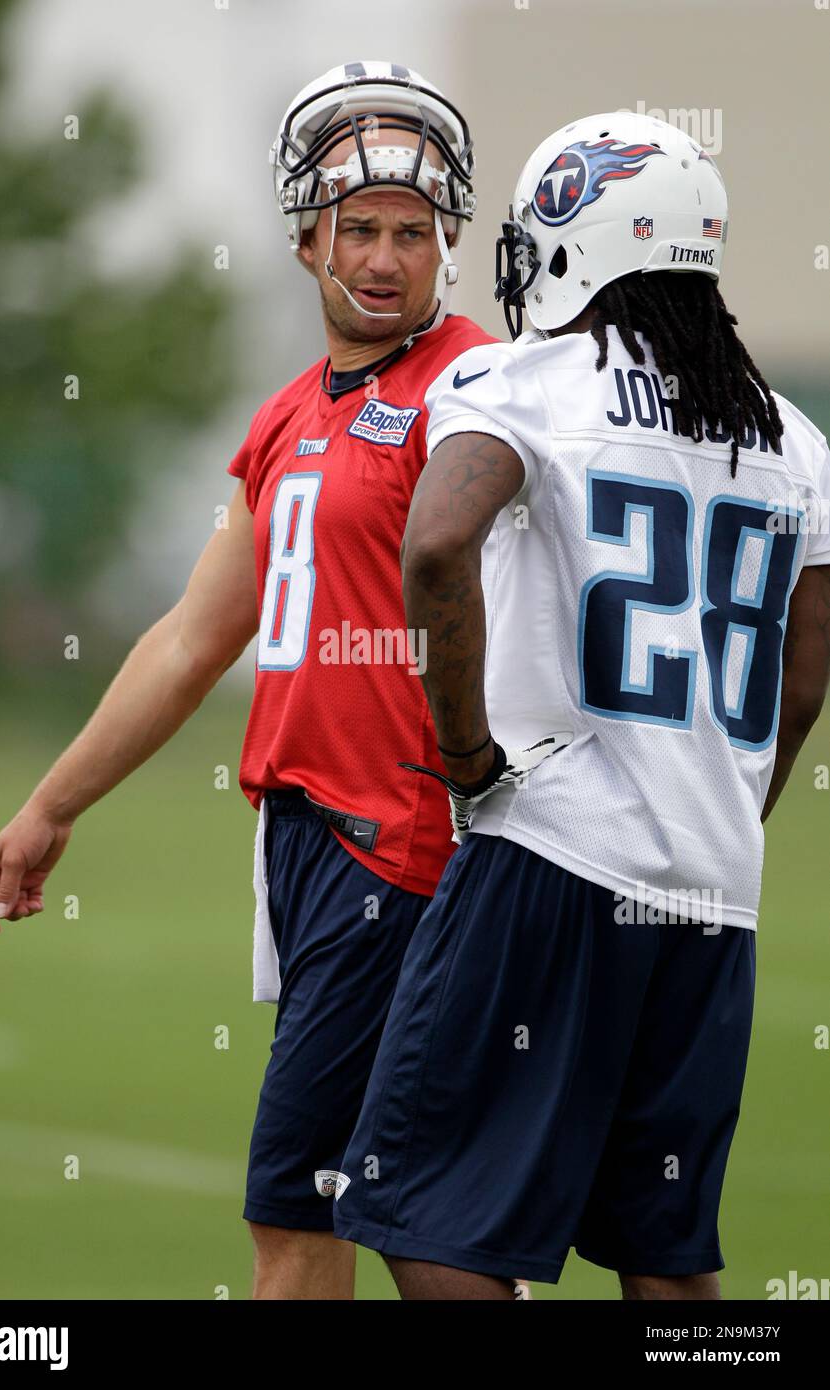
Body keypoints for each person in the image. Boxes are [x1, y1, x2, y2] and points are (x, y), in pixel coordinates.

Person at [0, 60, 494, 1300]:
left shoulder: (477, 385)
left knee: (301, 1213)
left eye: (411, 232)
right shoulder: (289, 418)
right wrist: (53, 804)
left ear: (450, 242)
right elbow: (190, 639)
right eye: (356, 227)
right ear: (306, 236)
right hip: (308, 841)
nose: (382, 256)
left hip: (402, 839)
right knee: (407, 1220)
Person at [332, 110, 830, 1300]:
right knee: (662, 1250)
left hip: (549, 853)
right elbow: (802, 679)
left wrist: (466, 755)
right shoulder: (795, 440)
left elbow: (438, 544)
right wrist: (719, 811)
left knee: (430, 1216)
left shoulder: (519, 381)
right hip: (713, 893)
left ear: (573, 240)